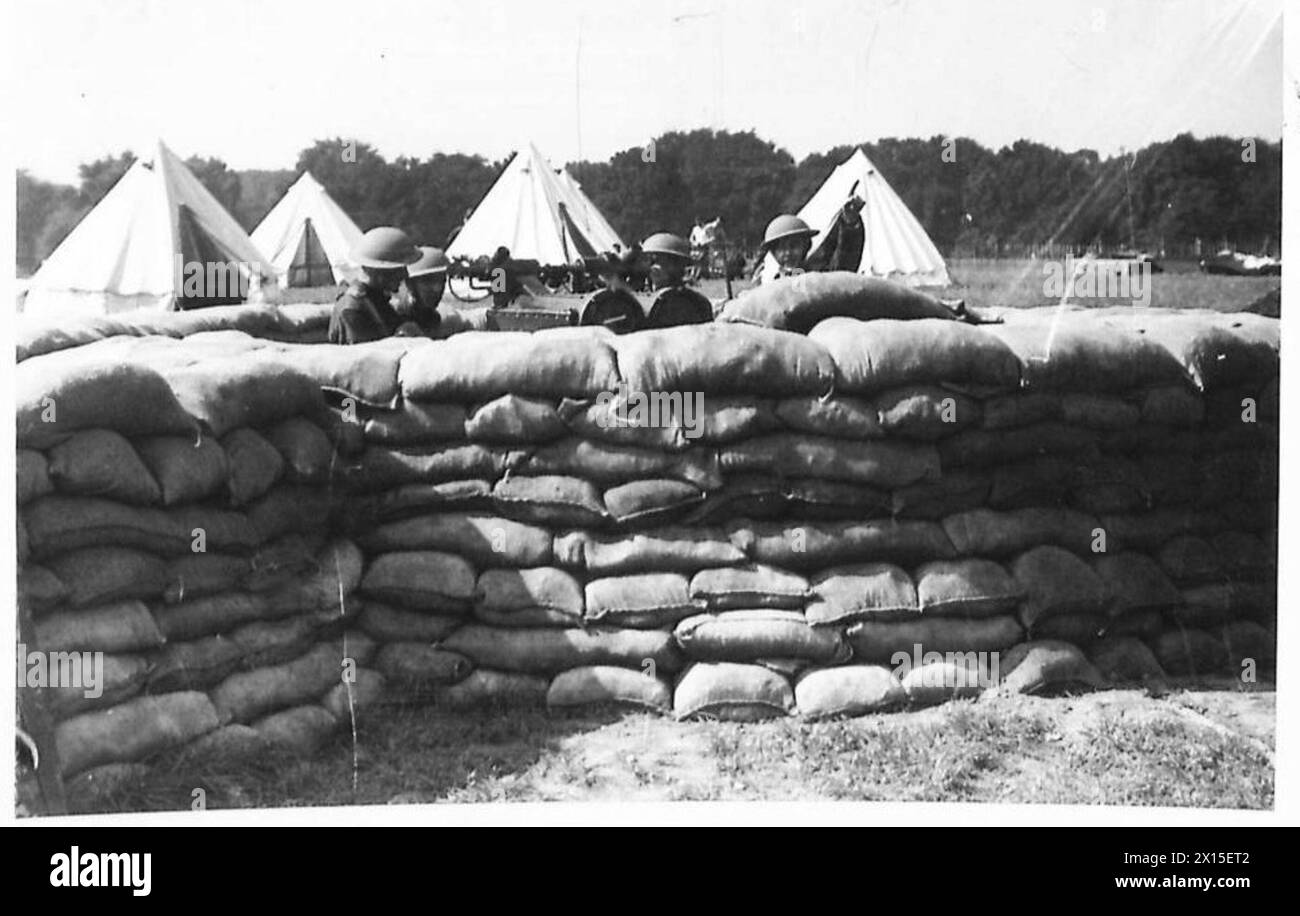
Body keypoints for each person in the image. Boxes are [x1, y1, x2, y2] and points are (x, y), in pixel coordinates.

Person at [328, 226, 421, 345]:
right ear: (377, 270)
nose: (405, 275)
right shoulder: (353, 309)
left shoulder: (376, 301)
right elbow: (365, 357)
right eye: (397, 269)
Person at [755, 197, 866, 284]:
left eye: (794, 246)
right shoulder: (771, 284)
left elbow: (844, 263)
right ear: (773, 254)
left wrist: (850, 225)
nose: (788, 253)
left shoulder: (818, 275)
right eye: (781, 249)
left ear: (806, 246)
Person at [640, 232, 713, 326]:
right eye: (651, 260)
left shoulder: (663, 303)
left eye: (663, 260)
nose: (654, 266)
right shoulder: (700, 301)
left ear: (678, 265)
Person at [399, 246, 448, 336]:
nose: (437, 288)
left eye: (442, 280)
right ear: (410, 283)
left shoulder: (433, 317)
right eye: (428, 281)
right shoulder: (396, 319)